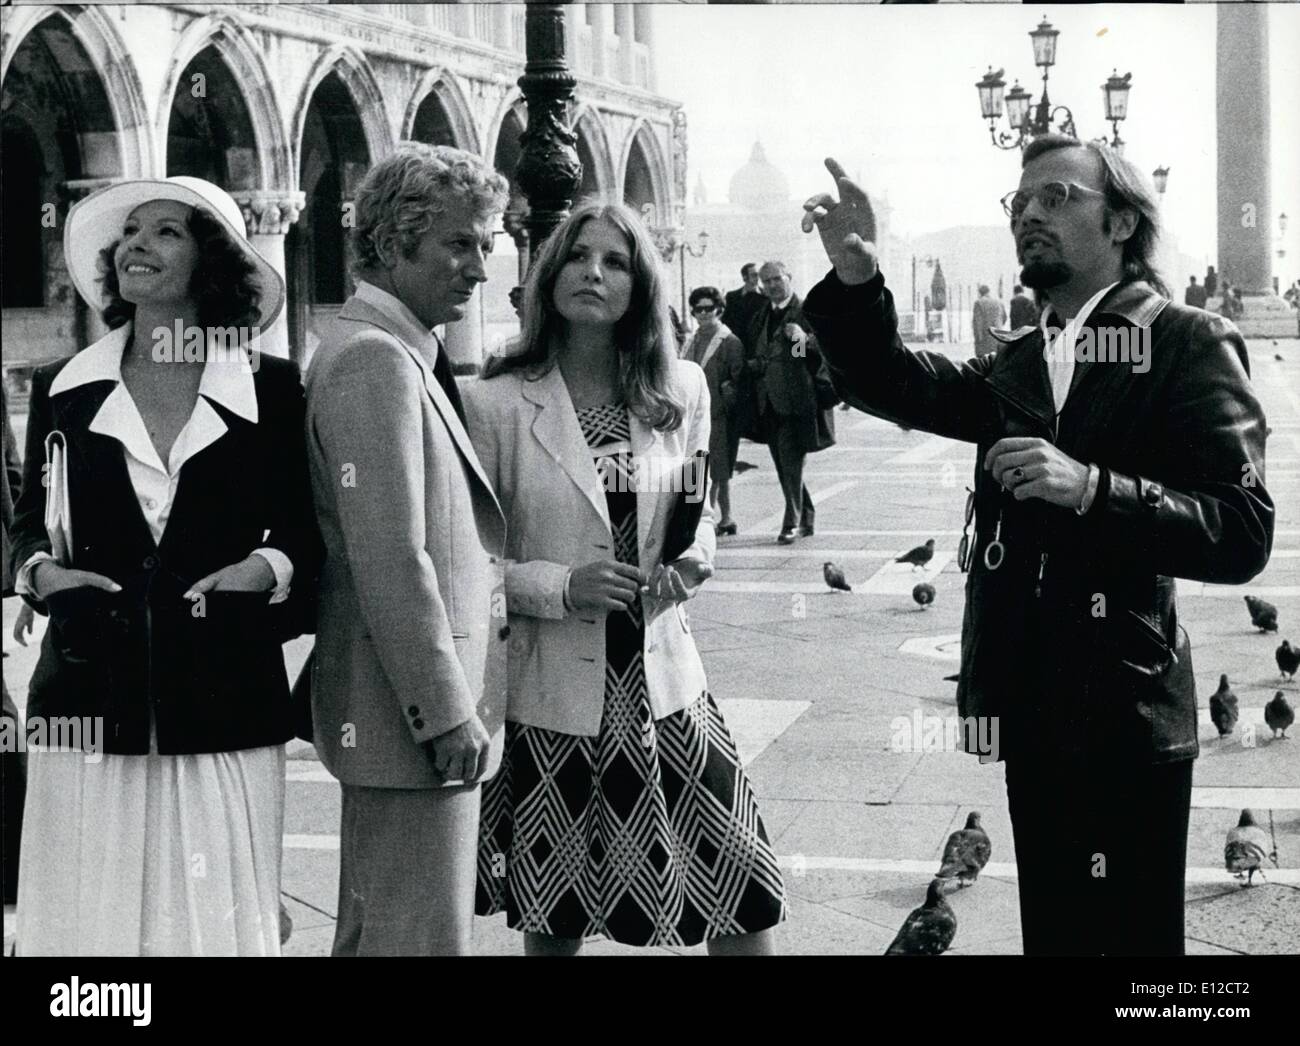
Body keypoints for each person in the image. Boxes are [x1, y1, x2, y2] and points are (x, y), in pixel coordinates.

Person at [800, 140, 1272, 956]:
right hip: (1034, 705)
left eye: (1055, 198)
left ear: (1122, 220)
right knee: (1055, 936)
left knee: (1129, 951)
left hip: (1129, 710)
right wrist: (855, 281)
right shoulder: (1023, 358)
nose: (1028, 216)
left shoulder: (1189, 341)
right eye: (1018, 204)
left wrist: (1092, 487)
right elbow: (892, 382)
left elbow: (1242, 529)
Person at [465, 201, 786, 956]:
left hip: (667, 682)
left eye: (614, 262)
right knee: (556, 913)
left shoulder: (681, 389)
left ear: (640, 285)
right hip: (556, 692)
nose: (593, 274)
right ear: (548, 275)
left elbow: (697, 507)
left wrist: (695, 557)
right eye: (578, 257)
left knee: (744, 889)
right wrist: (558, 584)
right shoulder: (494, 402)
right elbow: (465, 560)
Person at [9, 176, 319, 955]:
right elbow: (26, 526)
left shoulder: (273, 390)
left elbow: (312, 536)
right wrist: (39, 575)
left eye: (166, 232)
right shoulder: (64, 389)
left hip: (222, 701)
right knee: (90, 921)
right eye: (130, 233)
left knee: (211, 915)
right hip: (86, 702)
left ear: (210, 262)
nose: (136, 245)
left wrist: (265, 568)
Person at [304, 144, 510, 957]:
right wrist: (445, 708)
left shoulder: (391, 351)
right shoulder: (373, 361)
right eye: (462, 244)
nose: (479, 269)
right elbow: (390, 556)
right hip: (407, 724)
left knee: (389, 937)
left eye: (485, 246)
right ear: (393, 244)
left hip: (397, 727)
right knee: (416, 944)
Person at [747, 261, 838, 544]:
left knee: (791, 463)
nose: (772, 285)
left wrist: (801, 339)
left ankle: (791, 522)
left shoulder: (805, 311)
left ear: (789, 277)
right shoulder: (762, 315)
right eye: (766, 281)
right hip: (769, 403)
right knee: (784, 465)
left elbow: (808, 356)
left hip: (798, 402)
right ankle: (807, 516)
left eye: (777, 279)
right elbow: (763, 354)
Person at [684, 286, 745, 535]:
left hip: (718, 414)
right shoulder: (691, 340)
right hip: (691, 414)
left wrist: (726, 395)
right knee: (695, 465)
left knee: (718, 468)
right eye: (698, 309)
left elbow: (738, 378)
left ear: (719, 310)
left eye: (709, 308)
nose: (704, 313)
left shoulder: (729, 341)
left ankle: (720, 516)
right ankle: (702, 516)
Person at [722, 261, 765, 341]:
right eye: (754, 275)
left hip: (758, 346)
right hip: (736, 344)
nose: (758, 278)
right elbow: (724, 321)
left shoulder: (767, 297)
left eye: (759, 274)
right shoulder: (731, 297)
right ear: (745, 277)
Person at [971, 284, 1007, 356]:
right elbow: (1004, 317)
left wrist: (978, 339)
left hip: (985, 338)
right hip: (998, 336)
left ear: (980, 293)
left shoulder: (978, 303)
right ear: (988, 291)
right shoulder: (999, 302)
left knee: (984, 363)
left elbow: (978, 323)